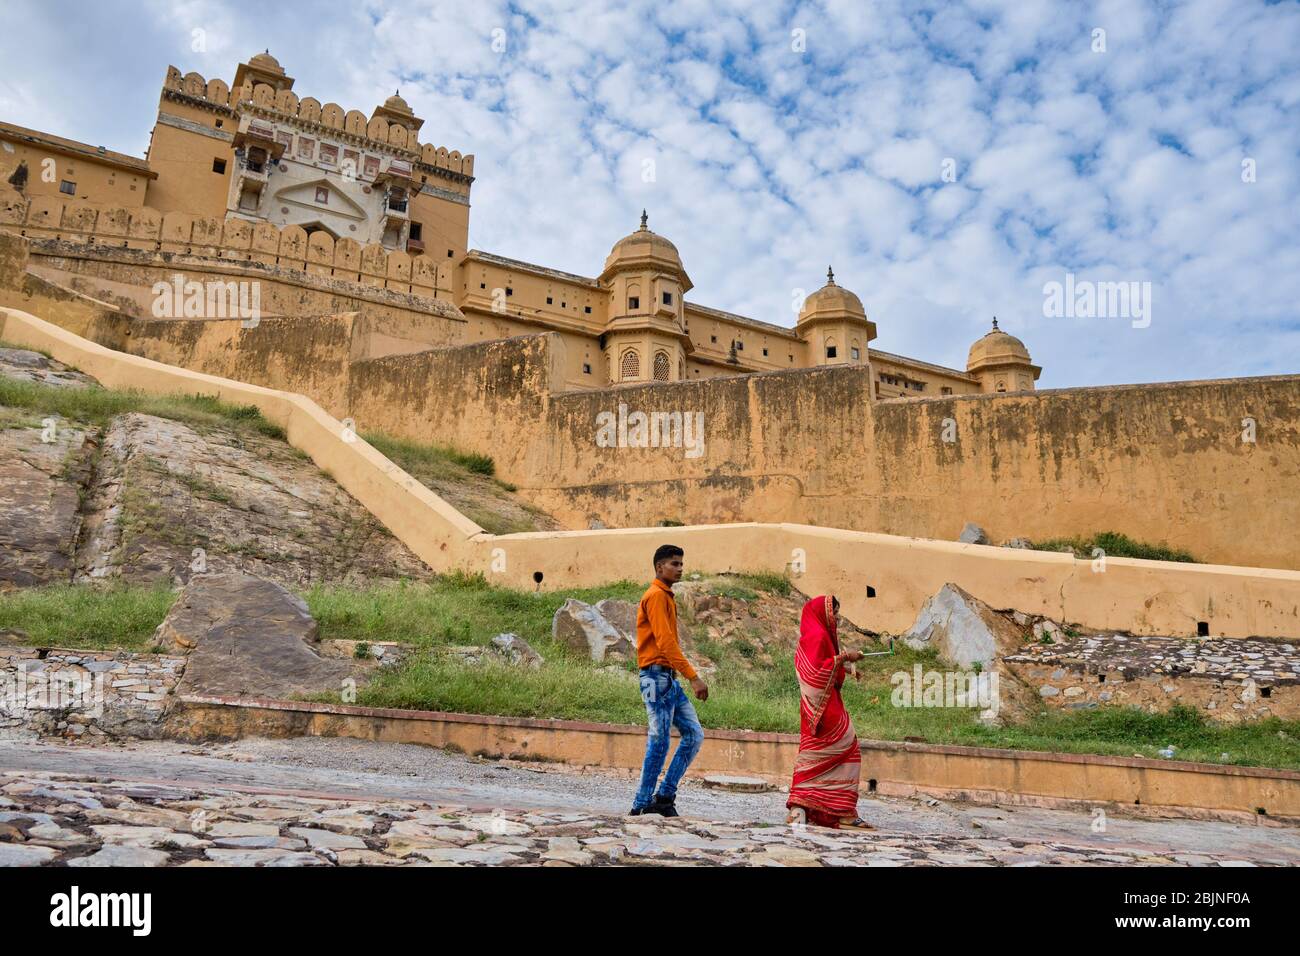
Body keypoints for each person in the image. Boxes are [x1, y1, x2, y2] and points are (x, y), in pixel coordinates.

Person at [630, 544, 709, 817]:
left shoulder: (666, 596)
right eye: (674, 564)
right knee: (659, 739)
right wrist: (694, 677)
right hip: (655, 676)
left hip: (668, 679)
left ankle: (664, 796)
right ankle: (641, 804)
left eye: (681, 564)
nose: (680, 568)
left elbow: (668, 642)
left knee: (694, 735)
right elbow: (664, 642)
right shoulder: (655, 596)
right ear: (659, 567)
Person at [786, 594, 874, 829]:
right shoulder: (817, 636)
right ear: (822, 613)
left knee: (814, 754)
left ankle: (800, 808)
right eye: (833, 612)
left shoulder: (817, 635)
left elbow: (825, 664)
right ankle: (842, 811)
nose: (836, 617)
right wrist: (846, 656)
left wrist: (846, 666)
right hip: (824, 709)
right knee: (849, 749)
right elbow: (815, 672)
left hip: (816, 707)